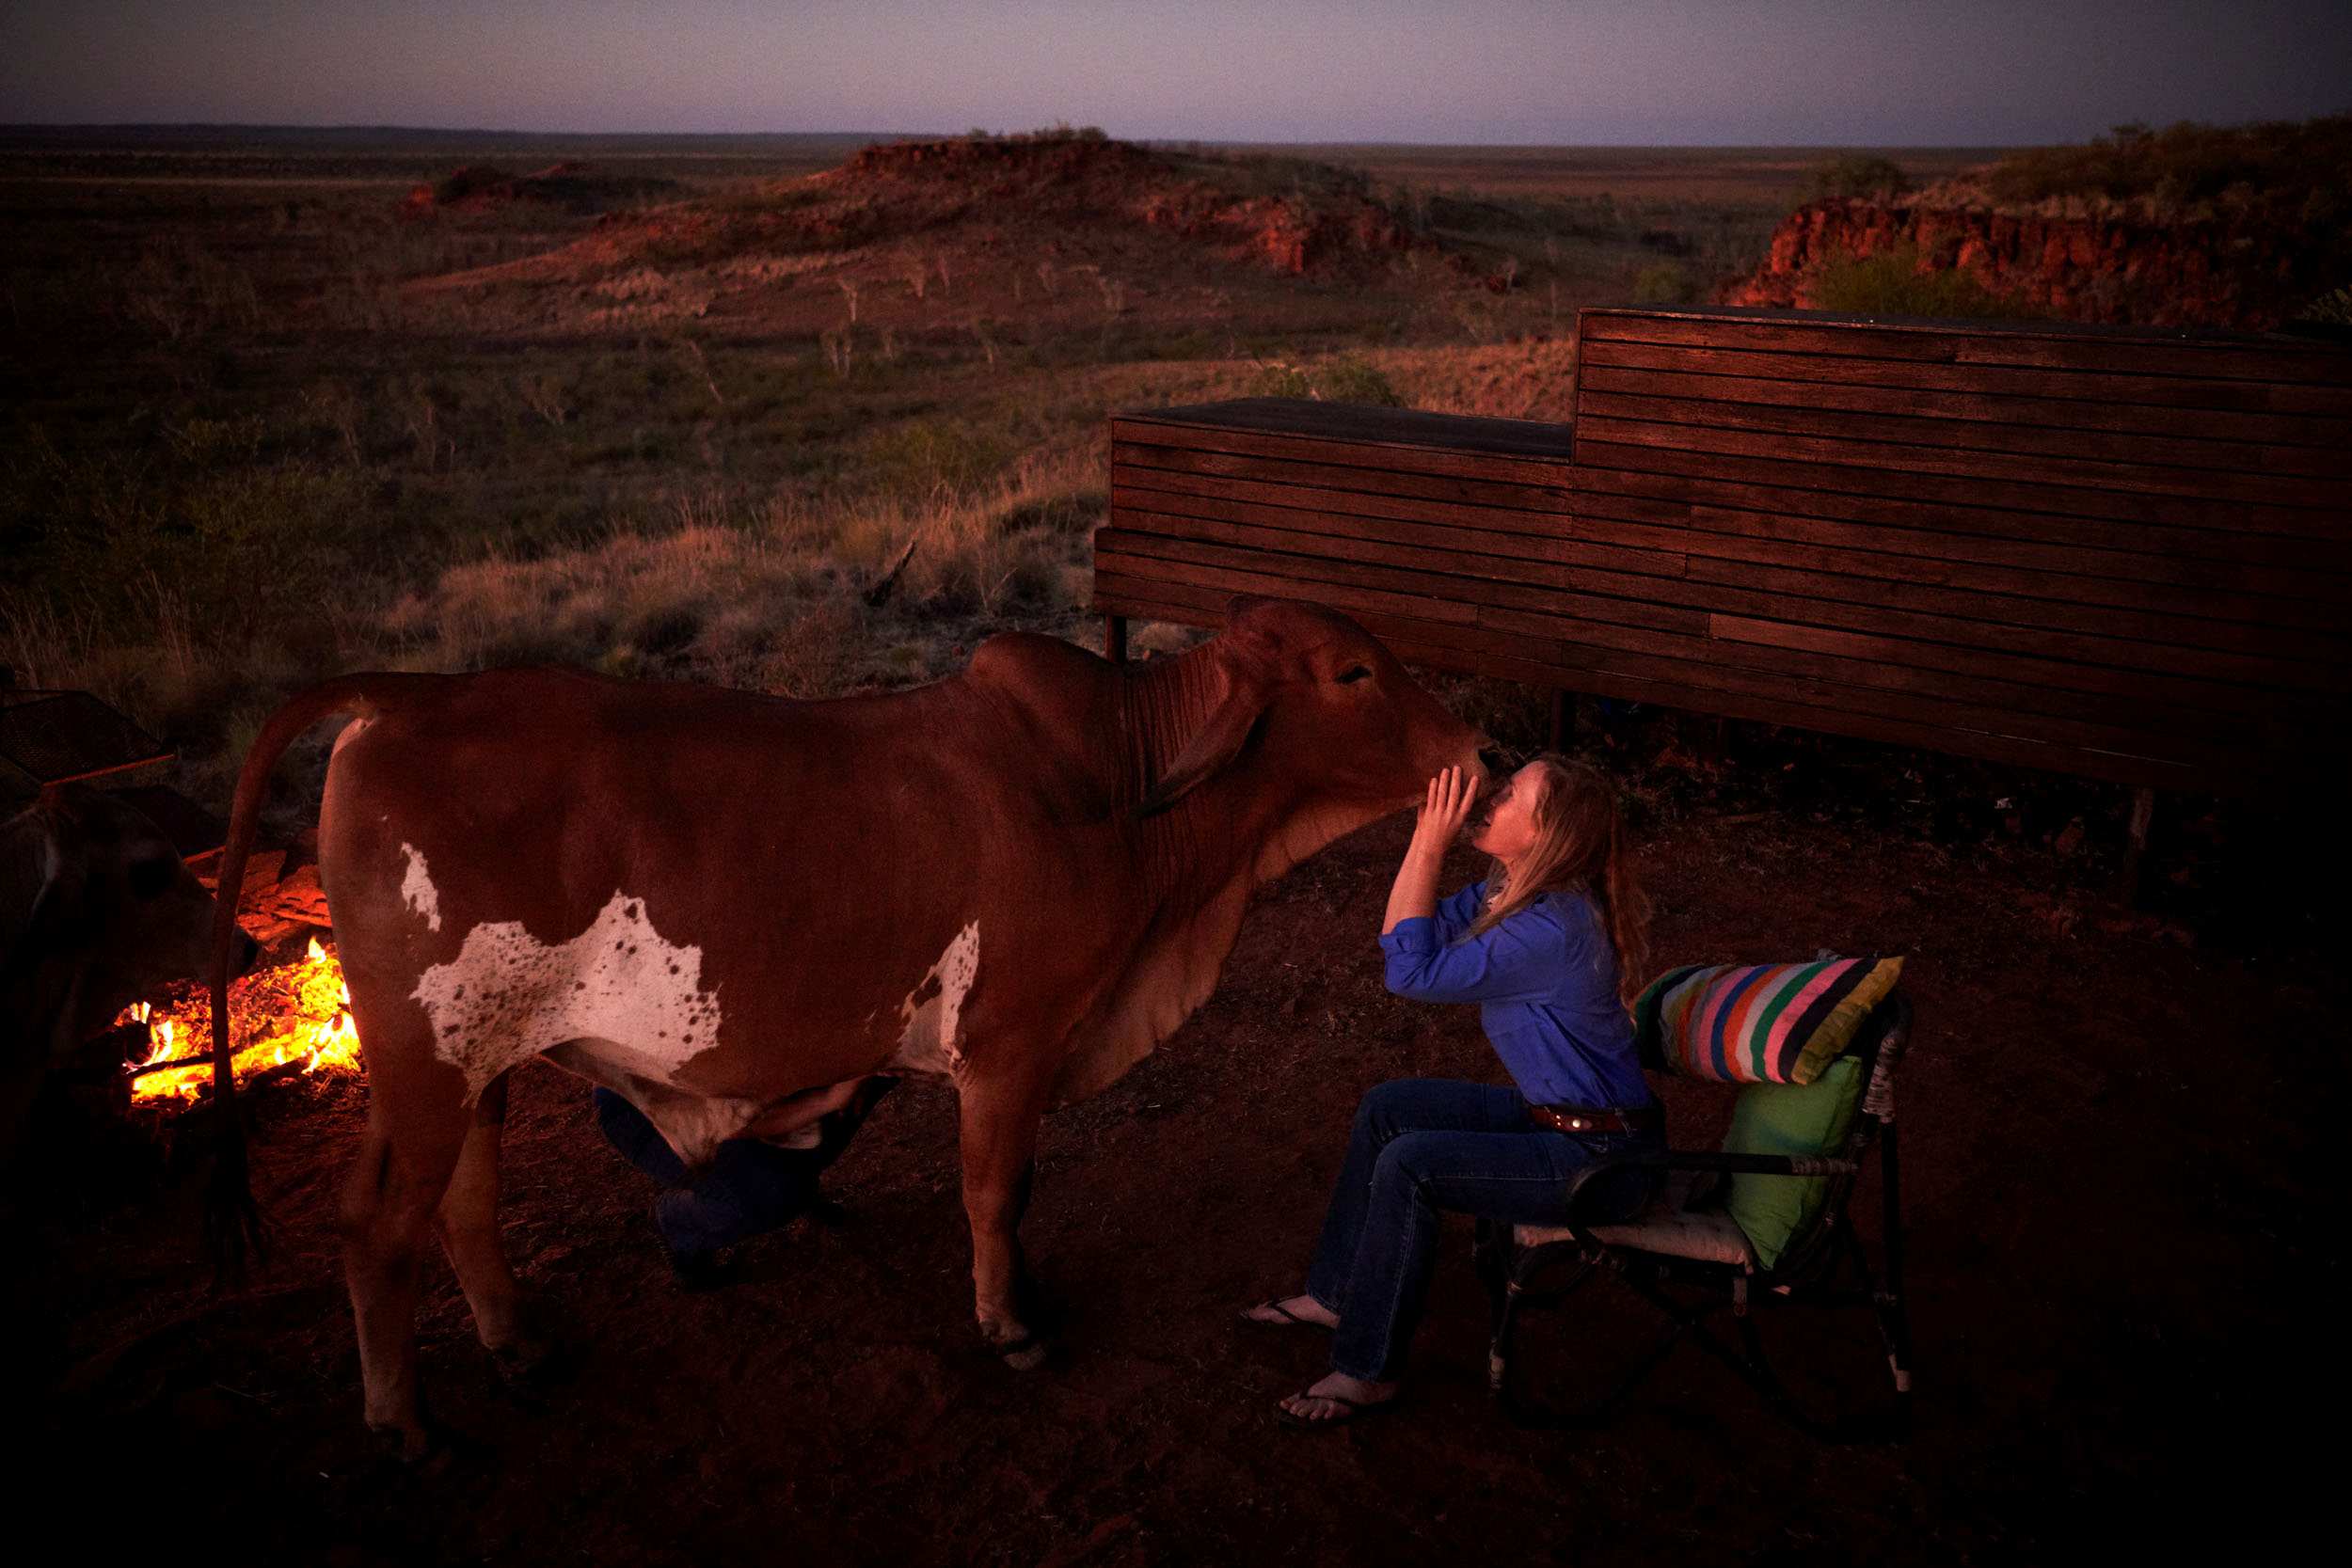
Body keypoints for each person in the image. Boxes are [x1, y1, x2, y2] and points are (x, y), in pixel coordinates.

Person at [1244, 754, 1661, 1426]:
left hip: (1602, 1162)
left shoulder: (1552, 929)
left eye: (1511, 792)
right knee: (1389, 1108)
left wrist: (1429, 842)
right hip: (1557, 1122)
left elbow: (1409, 973)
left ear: (1544, 834)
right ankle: (1336, 1294)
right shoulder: (1512, 891)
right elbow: (1407, 935)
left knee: (1410, 1165)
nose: (1492, 794)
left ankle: (1368, 1370)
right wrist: (1427, 844)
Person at [593, 1077, 894, 1287]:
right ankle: (674, 1221)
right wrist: (827, 1101)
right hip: (648, 1105)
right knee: (769, 1192)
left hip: (735, 1087)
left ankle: (796, 1170)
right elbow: (733, 1121)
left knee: (859, 1088)